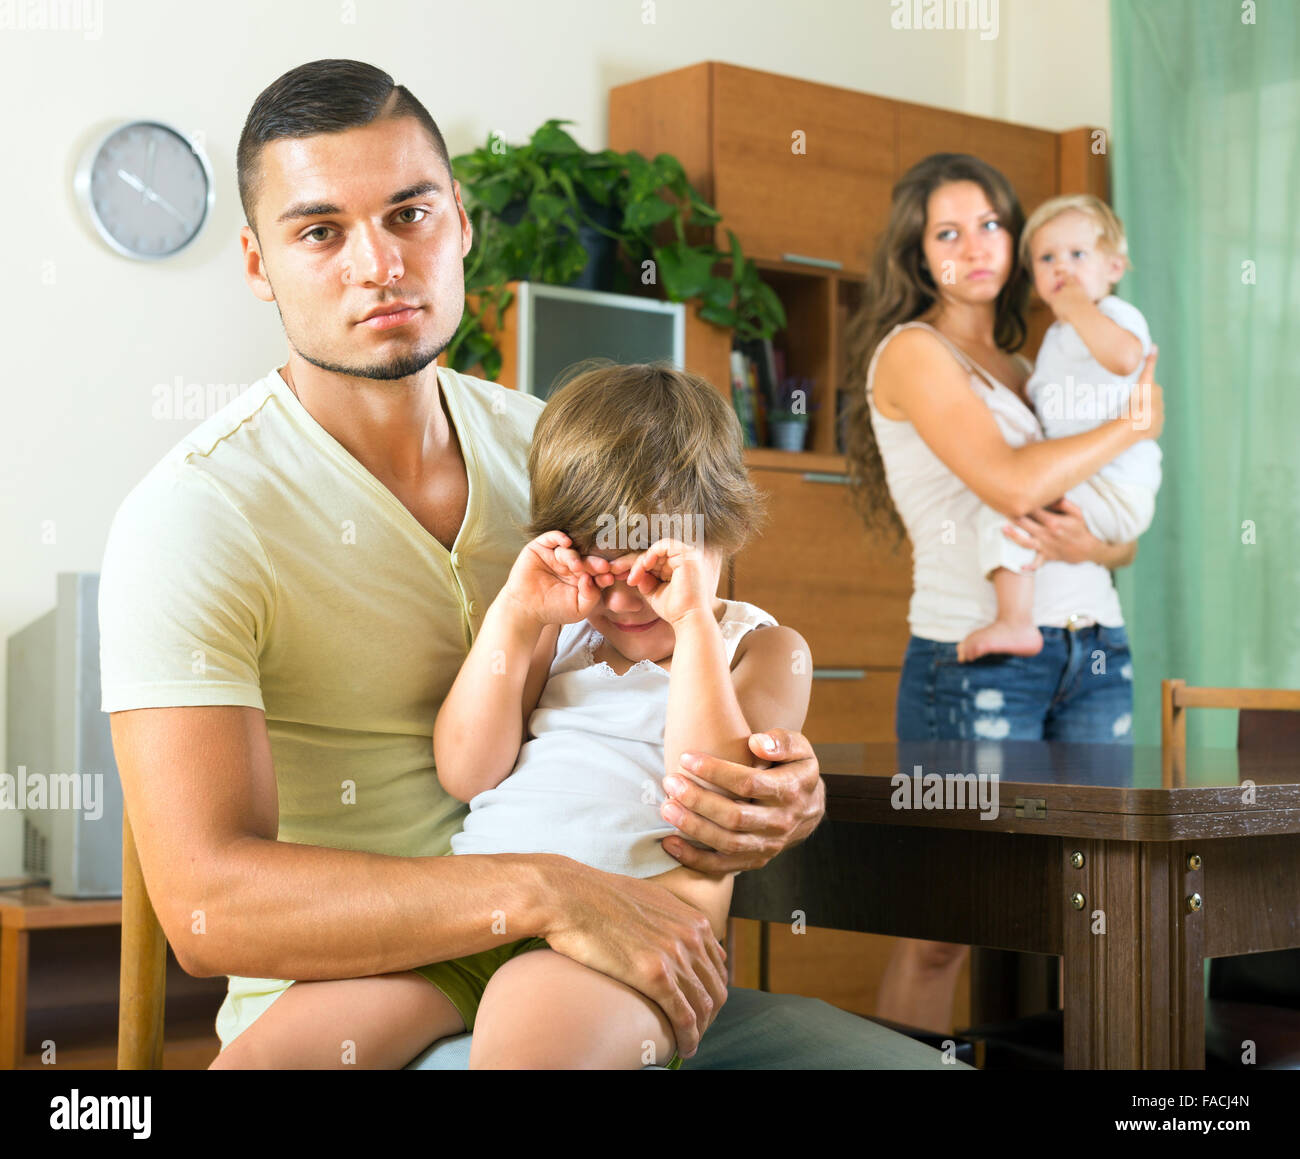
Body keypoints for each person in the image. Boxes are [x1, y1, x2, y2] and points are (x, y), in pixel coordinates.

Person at [99, 58, 962, 1069]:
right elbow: (206, 914)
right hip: (364, 1004)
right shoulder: (197, 515)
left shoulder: (560, 451)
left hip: (617, 958)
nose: (378, 264)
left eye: (410, 215)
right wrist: (547, 887)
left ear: (461, 222)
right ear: (258, 265)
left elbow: (699, 671)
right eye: (321, 231)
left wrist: (772, 794)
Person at [208, 363, 811, 1069]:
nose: (623, 604)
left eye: (654, 571)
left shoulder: (761, 648)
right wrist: (516, 619)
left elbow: (714, 793)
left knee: (528, 1040)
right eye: (600, 569)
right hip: (478, 917)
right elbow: (467, 769)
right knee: (273, 1054)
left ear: (724, 531)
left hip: (635, 943)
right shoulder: (563, 633)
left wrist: (695, 624)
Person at [840, 153, 1164, 1032]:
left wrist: (1095, 536)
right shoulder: (912, 353)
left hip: (1093, 649)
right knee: (945, 925)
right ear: (919, 252)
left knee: (1086, 912)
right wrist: (1129, 425)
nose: (975, 246)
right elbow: (1014, 484)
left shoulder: (1033, 364)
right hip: (974, 660)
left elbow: (1119, 539)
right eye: (948, 231)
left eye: (990, 225)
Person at [961, 194, 1160, 663]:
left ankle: (1014, 621)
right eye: (1047, 259)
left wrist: (1076, 306)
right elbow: (1050, 397)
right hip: (1091, 480)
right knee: (1010, 502)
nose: (1061, 269)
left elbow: (1125, 357)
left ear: (1113, 267)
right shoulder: (1057, 337)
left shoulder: (1112, 315)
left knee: (1011, 505)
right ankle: (1018, 615)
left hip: (1116, 486)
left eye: (1077, 255)